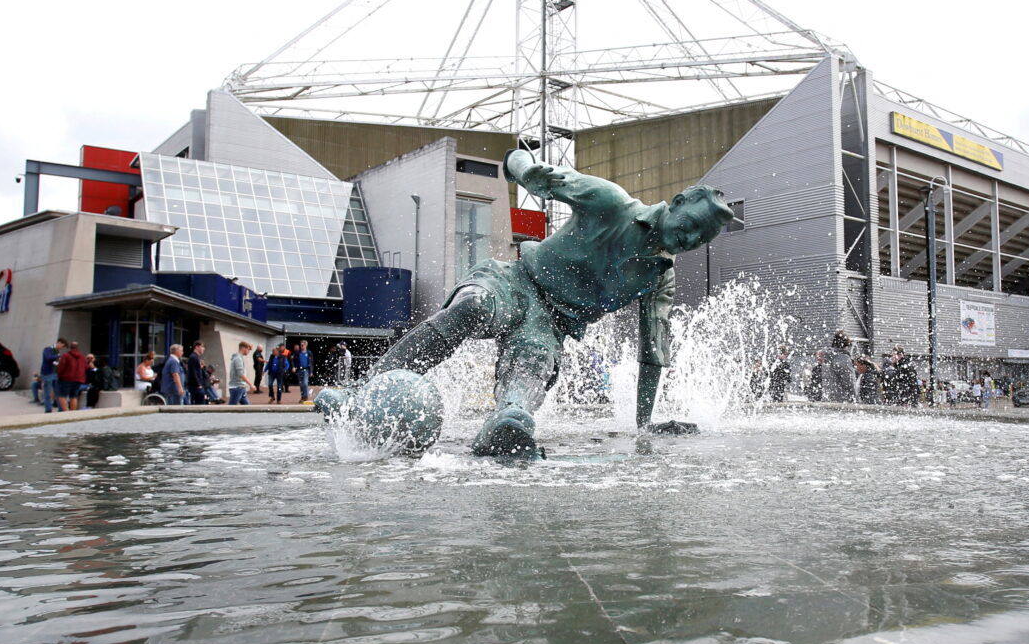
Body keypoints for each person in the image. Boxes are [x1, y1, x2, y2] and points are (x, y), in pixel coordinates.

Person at [348, 148, 734, 457]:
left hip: (550, 324)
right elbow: (531, 172)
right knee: (473, 307)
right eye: (690, 225)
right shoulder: (610, 202)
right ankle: (358, 399)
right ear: (680, 202)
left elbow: (652, 354)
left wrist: (644, 426)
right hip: (515, 281)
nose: (690, 239)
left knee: (524, 388)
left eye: (700, 239)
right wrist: (518, 164)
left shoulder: (658, 279)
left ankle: (500, 432)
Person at [824, 331, 857, 403]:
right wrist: (855, 399)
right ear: (846, 345)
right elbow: (849, 382)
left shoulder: (830, 357)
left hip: (830, 398)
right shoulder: (843, 358)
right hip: (843, 400)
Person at [55, 341, 87, 411]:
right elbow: (85, 367)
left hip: (66, 378)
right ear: (78, 347)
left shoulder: (66, 356)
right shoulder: (82, 357)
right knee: (74, 396)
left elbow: (61, 367)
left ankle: (66, 412)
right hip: (78, 379)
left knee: (62, 396)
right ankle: (73, 413)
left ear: (70, 347)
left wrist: (59, 375)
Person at [40, 338, 64, 413]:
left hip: (55, 373)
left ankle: (61, 408)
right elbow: (48, 357)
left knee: (58, 391)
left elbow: (56, 363)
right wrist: (58, 357)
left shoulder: (57, 352)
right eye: (62, 346)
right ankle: (48, 409)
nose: (61, 348)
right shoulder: (48, 349)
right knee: (48, 392)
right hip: (47, 373)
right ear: (59, 343)